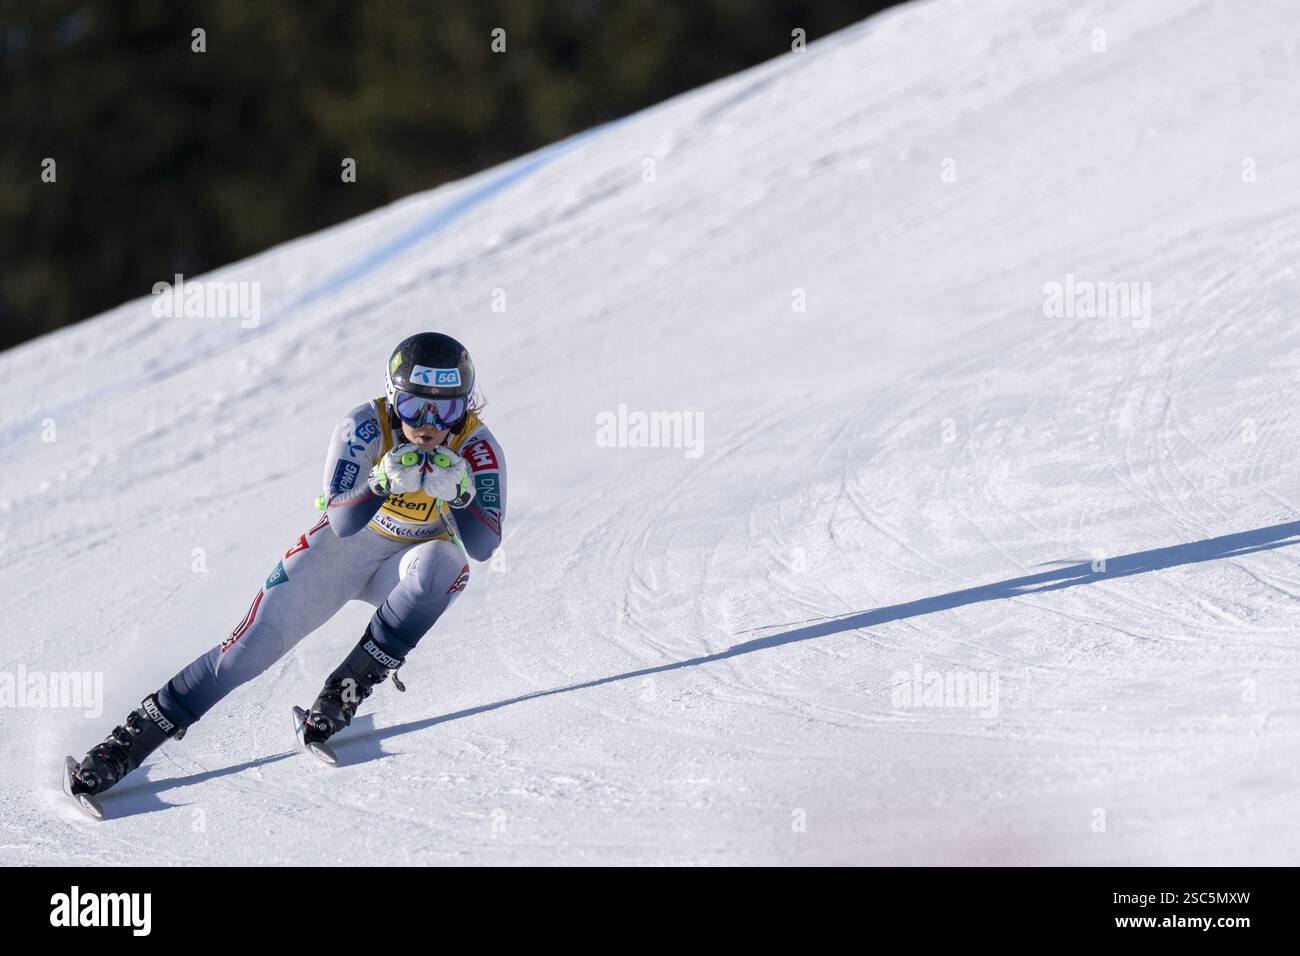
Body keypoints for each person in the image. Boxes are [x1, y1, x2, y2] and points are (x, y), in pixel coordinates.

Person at [67, 332, 506, 797]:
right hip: (343, 552)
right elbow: (341, 521)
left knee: (448, 563)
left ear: (466, 408)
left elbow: (483, 546)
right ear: (395, 399)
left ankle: (347, 690)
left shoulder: (477, 446)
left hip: (410, 564)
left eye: (448, 410)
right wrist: (379, 484)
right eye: (416, 407)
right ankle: (126, 744)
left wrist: (461, 495)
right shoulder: (365, 425)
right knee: (244, 655)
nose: (430, 425)